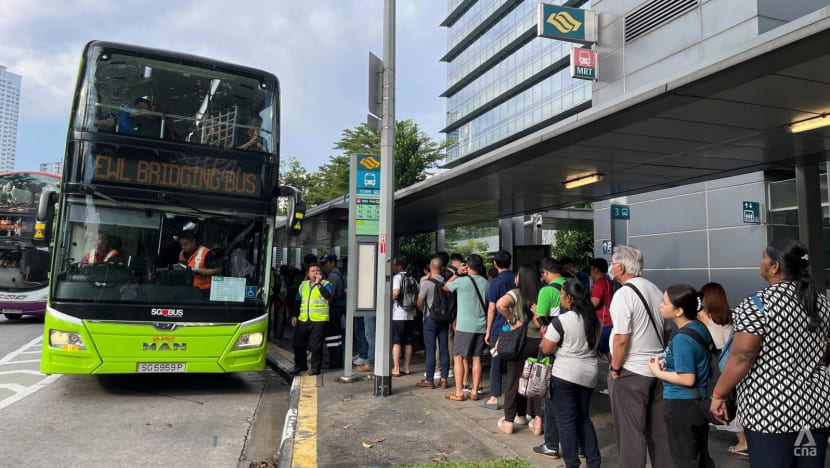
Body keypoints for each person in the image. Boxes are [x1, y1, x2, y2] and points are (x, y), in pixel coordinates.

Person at [711, 239, 830, 467]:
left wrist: (718, 395)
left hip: (771, 413)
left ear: (774, 266)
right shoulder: (822, 303)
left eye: (763, 256)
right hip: (816, 409)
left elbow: (742, 357)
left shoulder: (757, 305)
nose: (760, 261)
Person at [607, 245, 671, 468]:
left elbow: (622, 338)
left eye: (612, 263)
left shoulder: (624, 294)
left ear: (621, 267)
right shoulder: (655, 289)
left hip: (631, 371)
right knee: (659, 431)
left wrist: (615, 368)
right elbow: (666, 331)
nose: (611, 267)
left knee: (630, 433)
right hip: (658, 369)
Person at [648, 284, 715, 468]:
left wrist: (658, 372)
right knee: (699, 456)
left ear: (678, 311)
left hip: (682, 404)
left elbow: (687, 379)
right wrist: (669, 367)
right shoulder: (698, 327)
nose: (661, 305)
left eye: (665, 302)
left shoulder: (682, 339)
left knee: (684, 459)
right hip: (697, 402)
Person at [541, 278, 602, 468]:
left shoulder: (562, 321)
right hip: (589, 374)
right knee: (583, 418)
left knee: (566, 421)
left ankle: (571, 465)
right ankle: (594, 463)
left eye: (561, 294)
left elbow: (546, 349)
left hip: (565, 374)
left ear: (568, 297)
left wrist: (545, 336)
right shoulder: (595, 320)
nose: (560, 297)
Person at [699, 282, 747, 456]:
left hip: (722, 366)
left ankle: (743, 442)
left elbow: (720, 344)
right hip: (736, 365)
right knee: (736, 400)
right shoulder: (730, 315)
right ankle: (743, 440)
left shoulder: (710, 319)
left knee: (726, 401)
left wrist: (706, 323)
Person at [495, 263, 543, 435]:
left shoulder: (515, 293)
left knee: (514, 379)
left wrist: (513, 320)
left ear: (520, 278)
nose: (515, 279)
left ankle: (508, 421)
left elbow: (501, 305)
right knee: (535, 379)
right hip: (538, 341)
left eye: (517, 276)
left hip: (520, 341)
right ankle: (534, 420)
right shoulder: (541, 294)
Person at [533, 257, 567, 458]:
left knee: (549, 397)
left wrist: (535, 315)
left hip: (552, 348)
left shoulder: (547, 290)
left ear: (545, 273)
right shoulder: (575, 285)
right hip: (575, 348)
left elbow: (540, 322)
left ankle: (551, 444)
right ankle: (578, 446)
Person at [444, 255, 488, 401]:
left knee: (458, 357)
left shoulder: (461, 281)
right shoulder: (486, 283)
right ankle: (474, 391)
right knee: (476, 358)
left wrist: (457, 273)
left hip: (464, 326)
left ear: (467, 267)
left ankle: (458, 392)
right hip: (481, 326)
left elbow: (445, 286)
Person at [482, 250, 515, 411]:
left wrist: (488, 331)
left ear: (495, 263)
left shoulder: (495, 282)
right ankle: (515, 397)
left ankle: (494, 397)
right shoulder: (517, 278)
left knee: (496, 362)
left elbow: (492, 309)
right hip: (516, 327)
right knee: (514, 365)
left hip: (499, 328)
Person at [290, 264, 333, 376]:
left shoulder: (326, 284)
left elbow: (327, 296)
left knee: (316, 345)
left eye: (317, 271)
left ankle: (315, 368)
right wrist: (294, 315)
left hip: (319, 319)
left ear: (321, 273)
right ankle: (300, 365)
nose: (315, 273)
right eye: (312, 271)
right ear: (308, 274)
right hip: (303, 319)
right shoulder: (303, 285)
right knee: (297, 343)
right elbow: (297, 300)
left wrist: (318, 283)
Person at [416, 257, 451, 389]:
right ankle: (444, 379)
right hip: (444, 319)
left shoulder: (426, 283)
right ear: (442, 268)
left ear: (430, 268)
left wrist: (424, 310)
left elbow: (419, 302)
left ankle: (429, 380)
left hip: (430, 318)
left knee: (430, 350)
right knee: (444, 348)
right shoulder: (446, 282)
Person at [391, 257, 415, 377]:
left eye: (394, 264)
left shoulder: (397, 277)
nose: (392, 266)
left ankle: (396, 368)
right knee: (408, 341)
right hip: (410, 315)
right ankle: (406, 367)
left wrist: (387, 297)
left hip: (398, 314)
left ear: (399, 266)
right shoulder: (412, 279)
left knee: (397, 341)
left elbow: (395, 293)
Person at [321, 253, 345, 369]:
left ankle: (333, 361)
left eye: (326, 263)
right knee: (336, 337)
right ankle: (335, 360)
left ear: (332, 262)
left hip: (333, 310)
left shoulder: (333, 277)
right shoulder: (338, 274)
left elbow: (330, 296)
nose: (325, 265)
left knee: (332, 337)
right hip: (337, 310)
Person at [589, 258, 614, 364]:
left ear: (596, 270)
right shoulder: (608, 281)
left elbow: (594, 303)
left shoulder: (599, 283)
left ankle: (615, 370)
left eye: (591, 269)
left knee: (607, 349)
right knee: (608, 348)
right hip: (610, 319)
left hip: (603, 321)